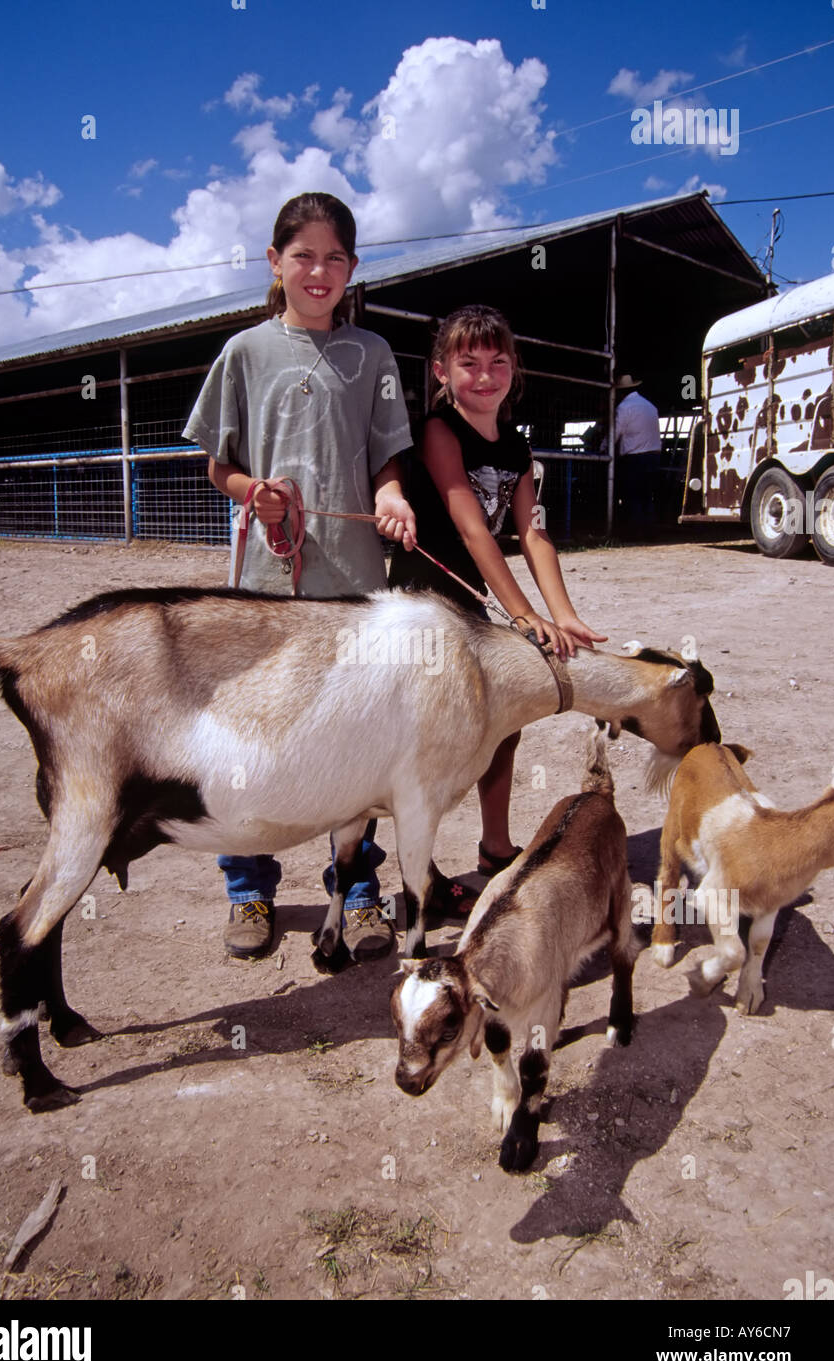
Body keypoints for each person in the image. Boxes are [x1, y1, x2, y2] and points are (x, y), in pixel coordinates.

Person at [183, 192, 417, 964]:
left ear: (352, 268)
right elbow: (218, 463)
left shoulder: (372, 354)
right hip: (266, 584)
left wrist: (388, 494)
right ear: (274, 263)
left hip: (354, 583)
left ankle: (355, 891)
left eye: (334, 258)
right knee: (256, 736)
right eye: (303, 256)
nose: (318, 271)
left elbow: (386, 454)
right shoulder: (245, 352)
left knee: (356, 737)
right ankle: (248, 889)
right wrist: (256, 492)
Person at [389, 305, 606, 877]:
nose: (484, 376)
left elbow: (534, 535)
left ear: (514, 369)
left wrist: (565, 614)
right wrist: (526, 615)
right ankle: (420, 867)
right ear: (441, 371)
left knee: (505, 724)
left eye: (497, 362)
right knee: (427, 738)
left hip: (472, 607)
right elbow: (470, 528)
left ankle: (495, 845)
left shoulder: (517, 447)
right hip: (423, 607)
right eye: (469, 363)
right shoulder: (439, 430)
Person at [614, 373, 661, 537]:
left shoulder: (623, 408)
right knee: (647, 496)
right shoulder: (651, 406)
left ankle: (634, 533)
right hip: (654, 456)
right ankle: (650, 532)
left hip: (634, 458)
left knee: (632, 495)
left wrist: (603, 446)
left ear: (621, 392)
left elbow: (615, 434)